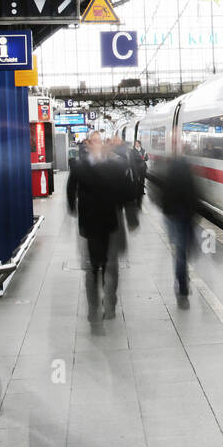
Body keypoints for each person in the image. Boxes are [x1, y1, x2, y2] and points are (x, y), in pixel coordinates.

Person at [66, 131, 137, 324]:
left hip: (109, 223)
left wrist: (130, 216)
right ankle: (93, 310)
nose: (98, 145)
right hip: (90, 226)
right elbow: (71, 189)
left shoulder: (113, 165)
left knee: (110, 267)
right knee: (92, 270)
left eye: (100, 142)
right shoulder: (80, 166)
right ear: (88, 144)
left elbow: (125, 189)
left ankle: (110, 304)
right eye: (95, 142)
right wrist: (72, 207)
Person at [158, 154, 199, 308]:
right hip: (184, 218)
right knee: (183, 253)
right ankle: (183, 283)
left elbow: (163, 201)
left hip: (172, 218)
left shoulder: (169, 180)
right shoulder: (188, 180)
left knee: (178, 253)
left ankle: (182, 285)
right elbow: (194, 199)